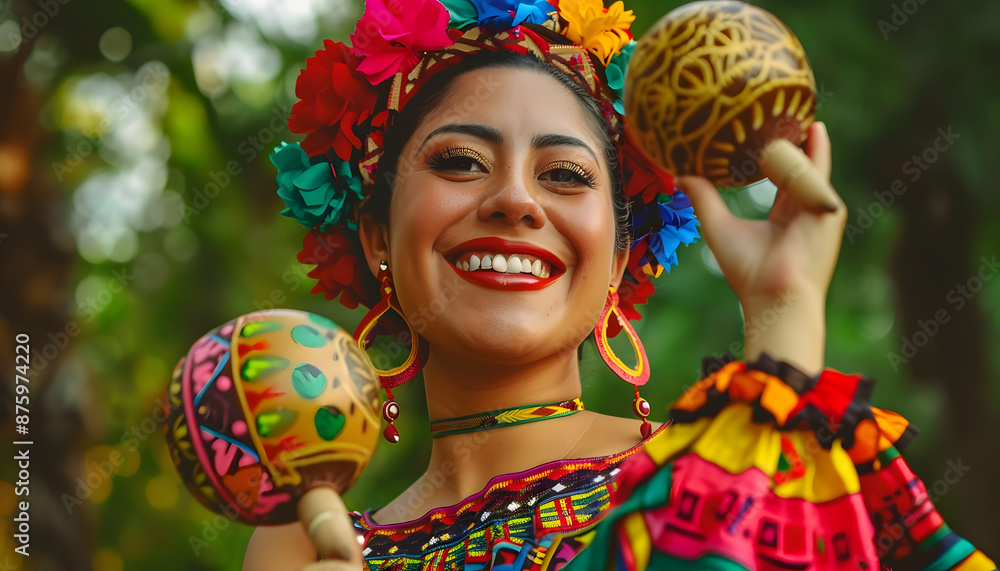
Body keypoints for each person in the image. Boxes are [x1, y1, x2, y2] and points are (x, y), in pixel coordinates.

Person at [244, 1, 995, 569]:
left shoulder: (710, 471)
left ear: (620, 253)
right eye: (460, 162)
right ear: (377, 236)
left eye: (564, 175)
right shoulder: (304, 543)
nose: (515, 201)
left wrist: (784, 311)